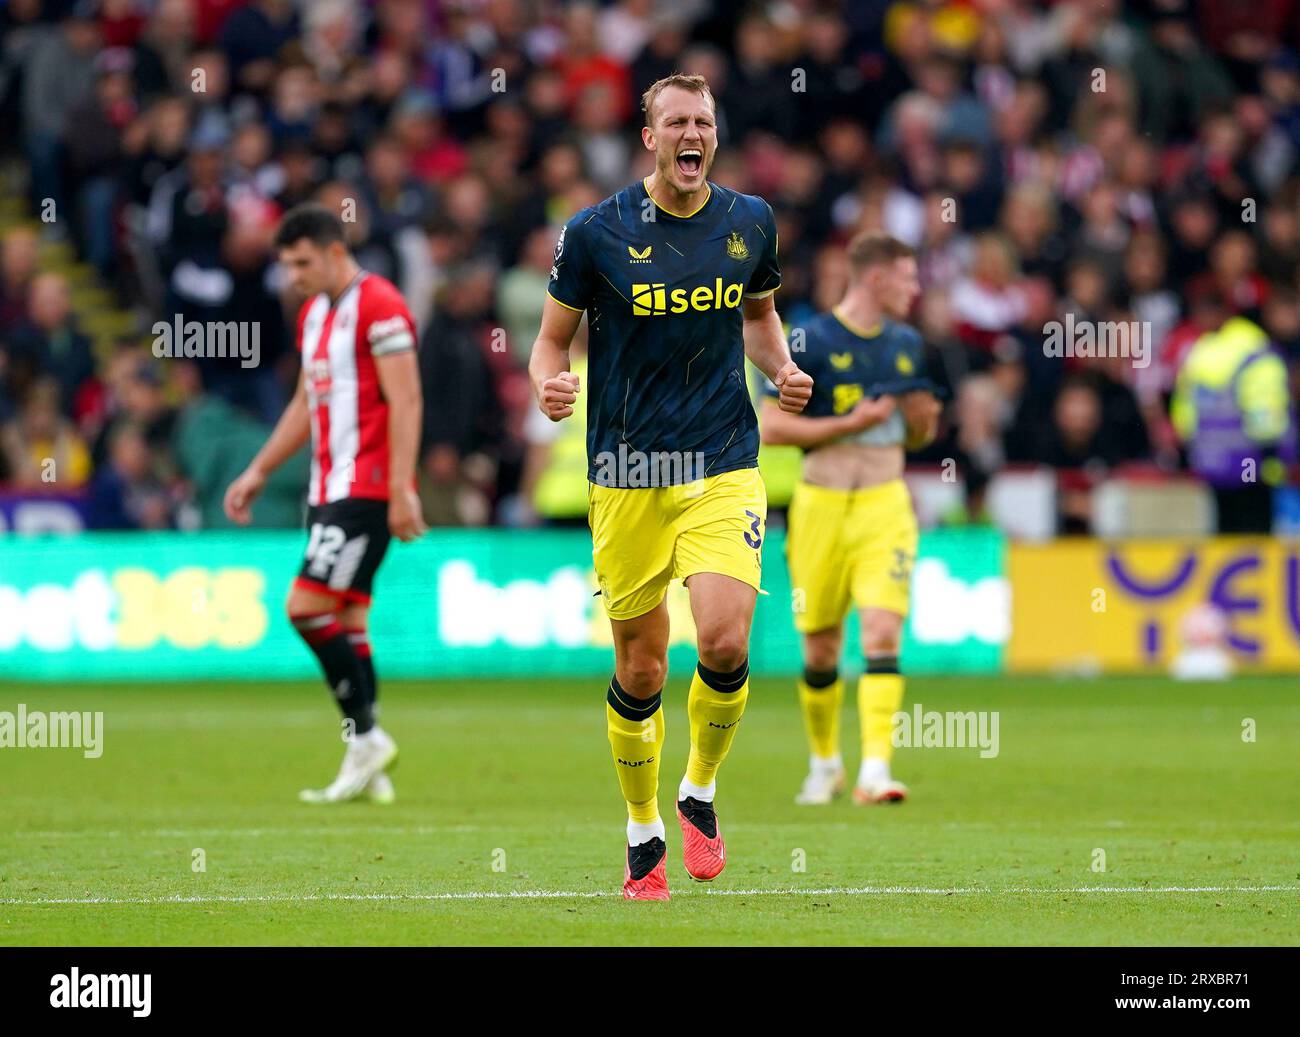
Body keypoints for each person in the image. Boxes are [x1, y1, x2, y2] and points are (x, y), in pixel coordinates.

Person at [528, 74, 813, 900]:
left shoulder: (750, 221)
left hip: (723, 458)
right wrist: (550, 384)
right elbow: (550, 343)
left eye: (705, 122)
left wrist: (785, 367)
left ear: (714, 135)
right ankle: (642, 823)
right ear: (649, 136)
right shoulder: (594, 233)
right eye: (676, 122)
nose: (693, 135)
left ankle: (701, 790)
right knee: (644, 666)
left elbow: (758, 320)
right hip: (626, 472)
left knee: (724, 641)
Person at [223, 204, 426, 803]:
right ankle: (368, 762)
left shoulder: (382, 305)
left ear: (336, 252)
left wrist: (400, 488)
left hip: (364, 490)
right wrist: (260, 468)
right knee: (349, 622)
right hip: (327, 489)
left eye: (302, 262)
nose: (293, 275)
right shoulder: (313, 314)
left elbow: (407, 399)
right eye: (286, 265)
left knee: (305, 608)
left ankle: (365, 736)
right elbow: (306, 403)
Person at [759, 232, 941, 807]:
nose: (915, 289)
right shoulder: (808, 338)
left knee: (883, 631)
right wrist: (849, 424)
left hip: (886, 502)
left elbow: (918, 432)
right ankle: (825, 763)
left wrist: (922, 423)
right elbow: (772, 427)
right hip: (821, 503)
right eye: (907, 277)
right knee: (821, 647)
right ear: (876, 277)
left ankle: (877, 770)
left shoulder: (909, 343)